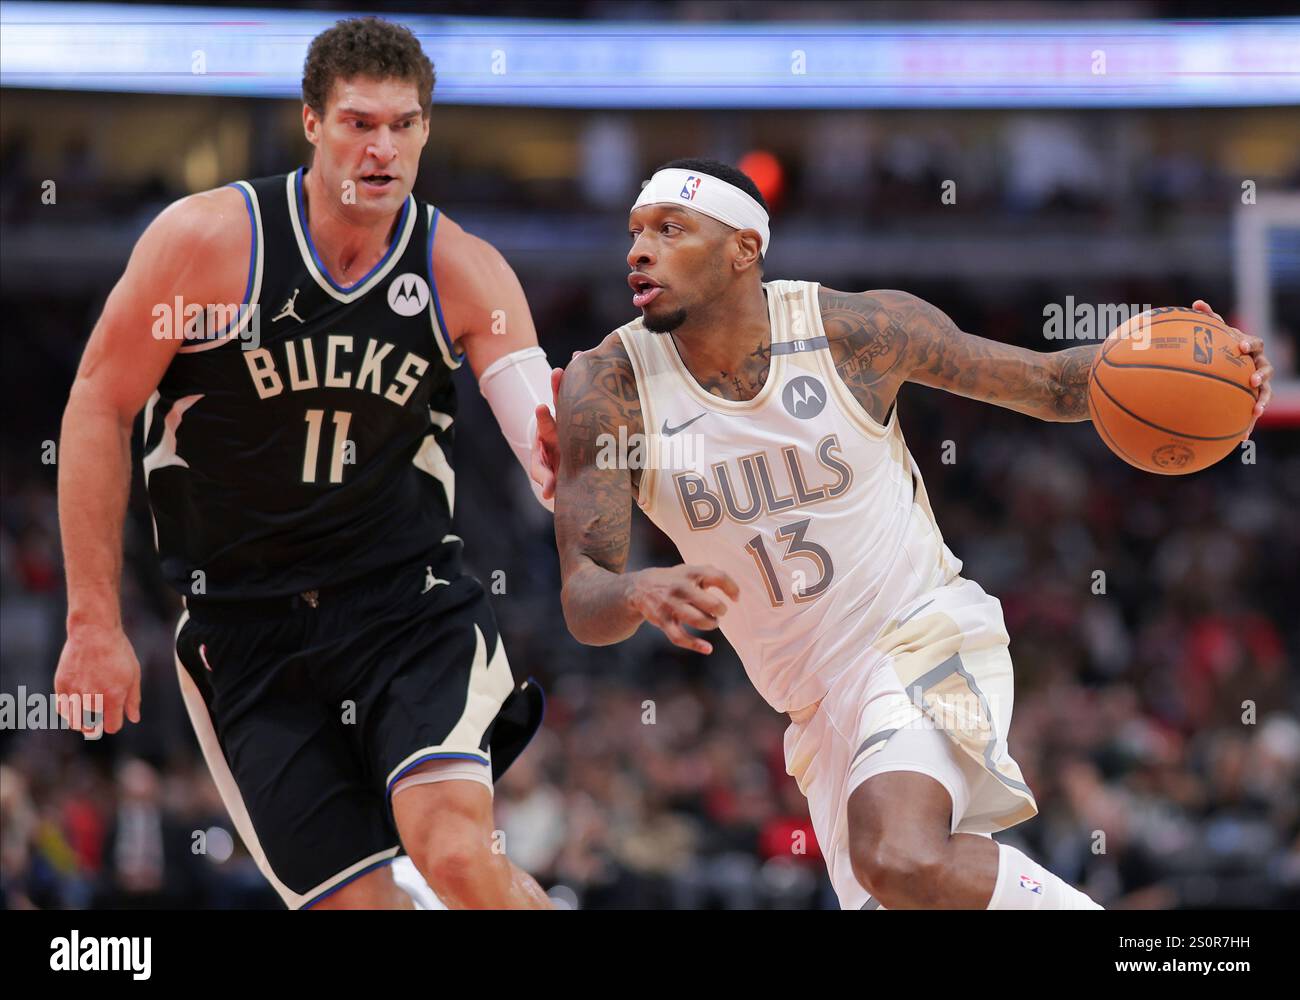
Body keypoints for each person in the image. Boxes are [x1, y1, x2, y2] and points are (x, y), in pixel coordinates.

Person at [536, 157, 1274, 909]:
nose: (639, 249)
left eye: (670, 229)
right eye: (635, 231)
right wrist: (634, 590)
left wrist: (1184, 360)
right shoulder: (608, 386)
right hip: (816, 710)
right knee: (905, 877)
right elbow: (583, 594)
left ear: (743, 250)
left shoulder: (853, 331)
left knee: (898, 853)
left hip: (919, 635)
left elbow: (1052, 384)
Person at [54, 17, 556, 910]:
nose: (383, 148)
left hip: (406, 607)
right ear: (312, 123)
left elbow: (545, 445)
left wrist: (601, 486)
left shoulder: (462, 270)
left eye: (404, 126)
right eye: (361, 123)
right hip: (248, 628)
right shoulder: (209, 244)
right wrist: (94, 620)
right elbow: (99, 404)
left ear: (427, 132)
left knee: (457, 856)